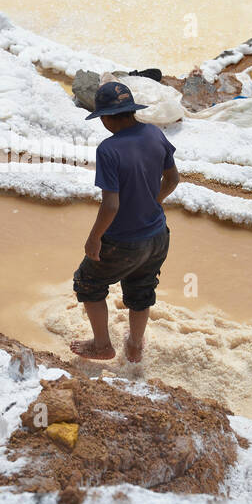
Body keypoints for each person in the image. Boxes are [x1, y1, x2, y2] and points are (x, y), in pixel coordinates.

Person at [70, 81, 180, 364]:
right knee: (141, 289)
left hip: (123, 241)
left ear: (105, 118)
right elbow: (173, 180)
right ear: (131, 110)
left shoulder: (109, 150)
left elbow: (111, 204)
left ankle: (102, 345)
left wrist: (94, 238)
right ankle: (134, 346)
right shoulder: (155, 134)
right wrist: (154, 202)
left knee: (88, 283)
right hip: (157, 236)